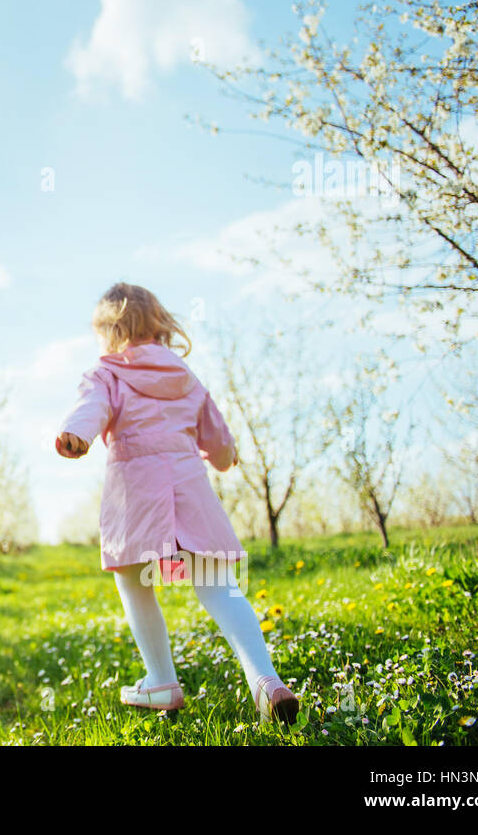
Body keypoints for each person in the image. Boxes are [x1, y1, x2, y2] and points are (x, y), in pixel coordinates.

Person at [55, 282, 299, 725]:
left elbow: (91, 406)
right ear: (159, 323)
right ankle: (264, 679)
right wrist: (226, 455)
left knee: (133, 580)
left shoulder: (107, 372)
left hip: (138, 490)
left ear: (110, 331)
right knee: (220, 585)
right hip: (190, 487)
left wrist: (77, 433)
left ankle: (161, 679)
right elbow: (218, 438)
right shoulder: (184, 376)